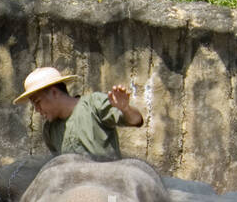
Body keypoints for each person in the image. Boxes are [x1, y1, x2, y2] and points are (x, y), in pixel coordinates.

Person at [12, 66, 143, 159]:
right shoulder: (49, 129)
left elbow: (136, 121)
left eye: (37, 102)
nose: (36, 109)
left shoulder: (94, 104)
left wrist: (125, 109)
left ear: (54, 93)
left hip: (107, 183)